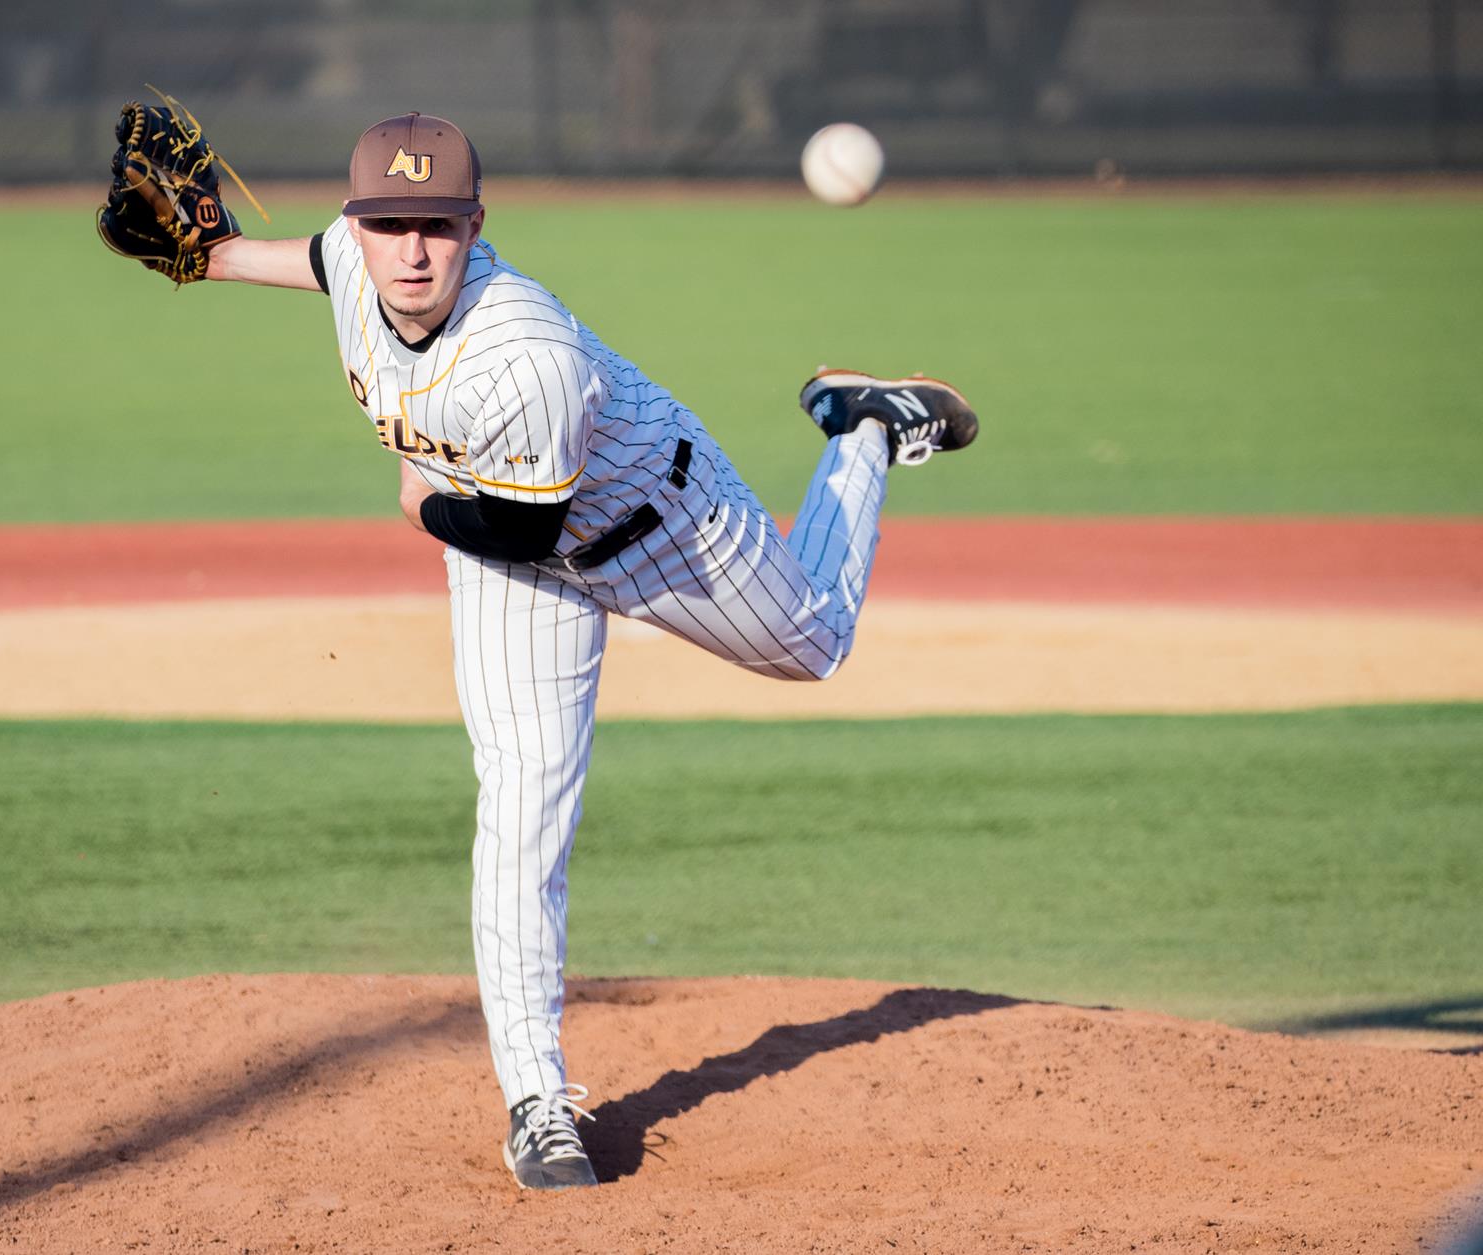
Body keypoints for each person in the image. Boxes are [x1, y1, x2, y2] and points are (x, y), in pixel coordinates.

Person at [165, 112, 976, 1190]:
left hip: (660, 524)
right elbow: (311, 259)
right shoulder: (357, 264)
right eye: (389, 223)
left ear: (476, 227)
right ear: (357, 226)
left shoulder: (527, 353)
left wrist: (421, 514)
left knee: (816, 642)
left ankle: (860, 429)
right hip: (514, 571)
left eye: (438, 227)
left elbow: (524, 528)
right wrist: (203, 255)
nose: (412, 251)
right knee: (522, 801)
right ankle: (536, 1100)